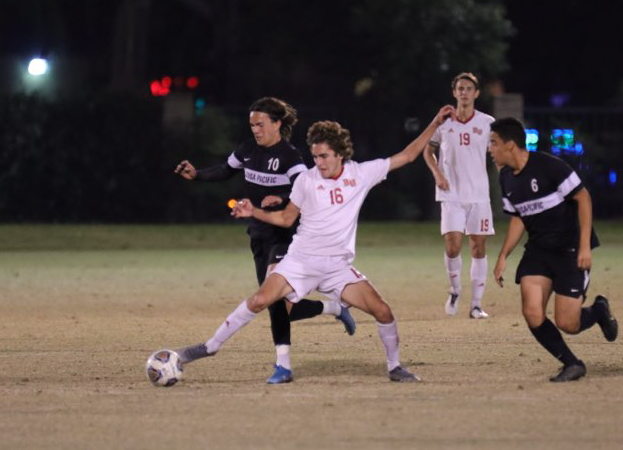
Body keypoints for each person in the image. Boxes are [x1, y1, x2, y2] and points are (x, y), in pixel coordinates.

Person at [174, 104, 457, 383]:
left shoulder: (361, 173)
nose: (318, 162)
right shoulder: (306, 181)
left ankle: (394, 367)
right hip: (301, 260)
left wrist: (435, 122)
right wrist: (254, 212)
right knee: (262, 300)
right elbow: (286, 219)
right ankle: (210, 347)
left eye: (323, 156)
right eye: (315, 156)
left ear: (340, 154)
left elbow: (407, 156)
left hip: (337, 267)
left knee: (383, 311)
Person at [173, 97, 355, 384]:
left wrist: (282, 198)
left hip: (285, 236)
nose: (255, 129)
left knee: (272, 299)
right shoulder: (247, 149)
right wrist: (196, 175)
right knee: (278, 305)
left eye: (260, 124)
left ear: (277, 124)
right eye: (252, 124)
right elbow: (225, 170)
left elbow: (308, 188)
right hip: (258, 233)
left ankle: (282, 366)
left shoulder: (290, 156)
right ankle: (333, 308)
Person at [488, 117, 618, 382]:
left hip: (569, 249)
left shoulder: (549, 166)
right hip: (538, 250)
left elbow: (583, 198)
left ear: (510, 145)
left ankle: (599, 311)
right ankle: (572, 364)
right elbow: (518, 217)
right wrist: (503, 255)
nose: (490, 149)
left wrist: (584, 246)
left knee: (568, 323)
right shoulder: (506, 178)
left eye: (493, 143)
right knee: (532, 312)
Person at [423, 72, 496, 319]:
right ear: (454, 93)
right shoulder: (444, 123)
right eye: (460, 88)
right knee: (453, 246)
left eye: (468, 88)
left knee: (478, 247)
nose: (464, 92)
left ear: (476, 94)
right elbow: (427, 150)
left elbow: (497, 153)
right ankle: (455, 290)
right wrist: (437, 174)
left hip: (479, 195)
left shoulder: (487, 122)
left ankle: (476, 305)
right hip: (450, 194)